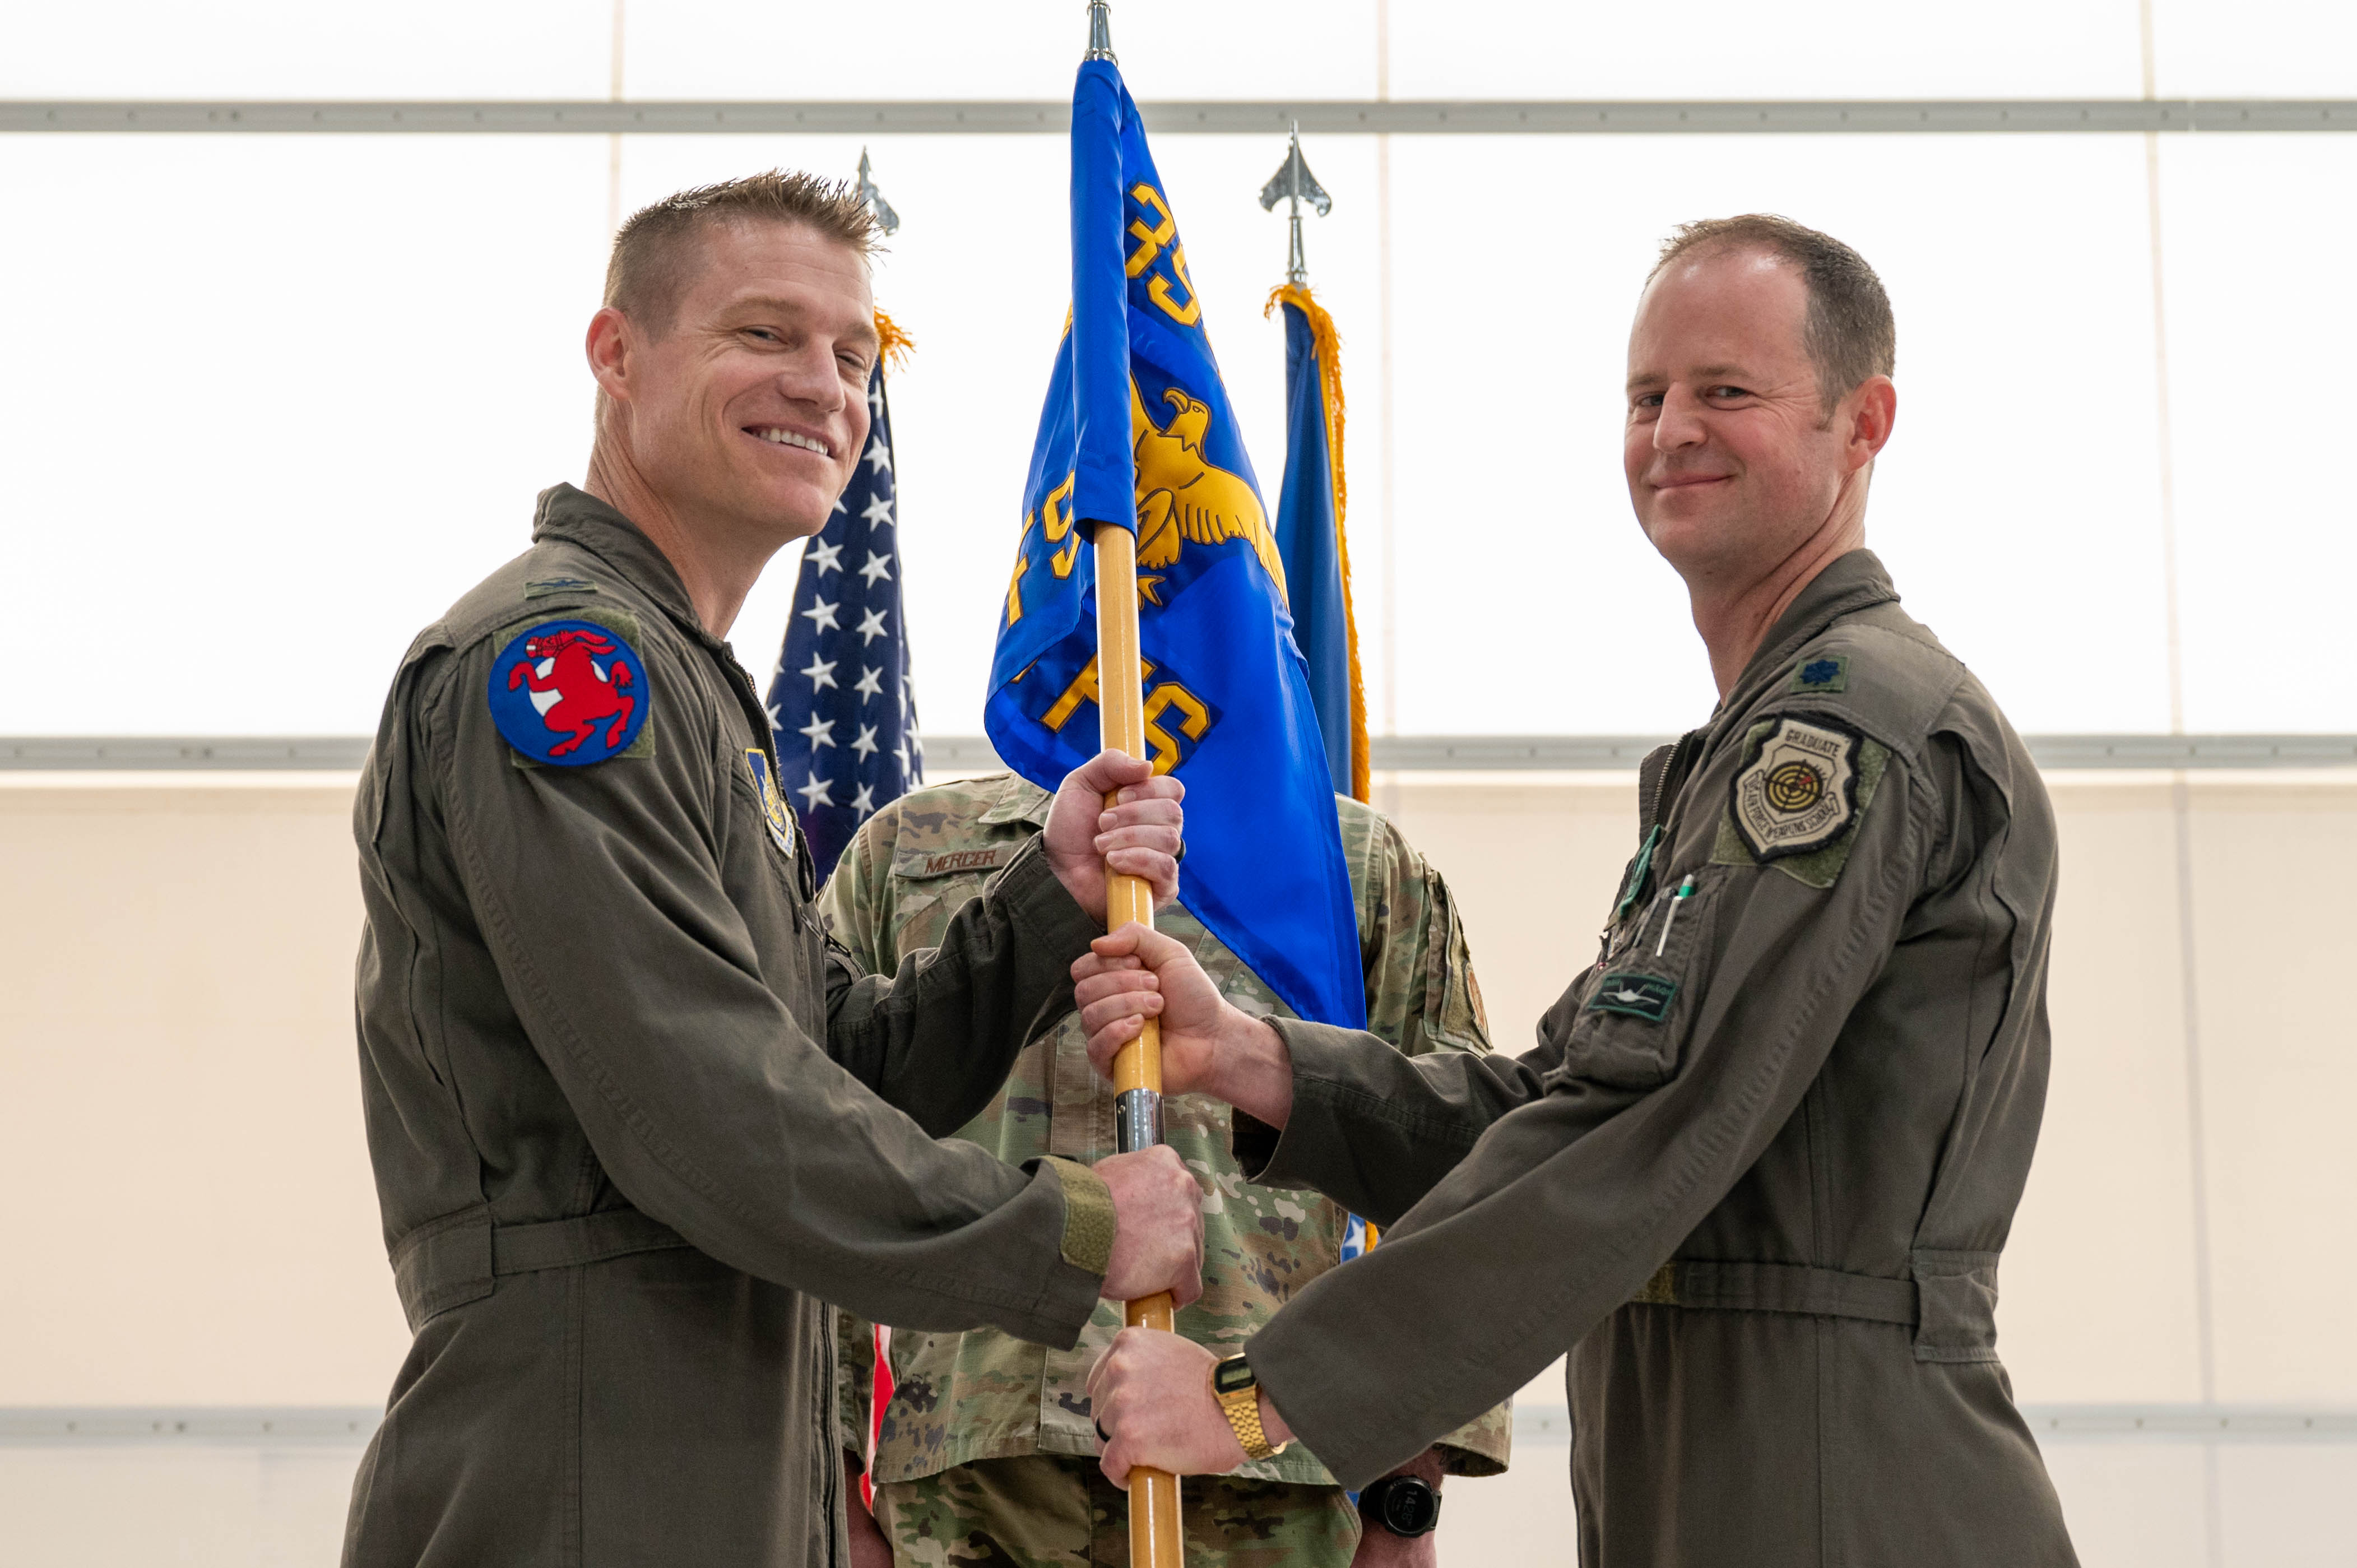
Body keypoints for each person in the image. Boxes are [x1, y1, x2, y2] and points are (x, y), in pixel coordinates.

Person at [1075, 215, 2080, 1567]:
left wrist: (1265, 1400)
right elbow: (1555, 1106)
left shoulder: (1849, 736)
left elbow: (1639, 1128)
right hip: (1717, 1463)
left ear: (1864, 422)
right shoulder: (1749, 743)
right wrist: (1254, 1060)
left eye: (1727, 390)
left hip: (1842, 1481)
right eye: (1647, 395)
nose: (1673, 430)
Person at [343, 171, 1207, 1568]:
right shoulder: (566, 668)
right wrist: (1070, 1229)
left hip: (723, 1445)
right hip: (593, 1460)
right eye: (765, 335)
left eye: (855, 357)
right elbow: (701, 1102)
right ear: (617, 354)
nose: (827, 387)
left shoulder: (686, 684)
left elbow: (831, 1063)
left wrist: (1043, 898)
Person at [822, 774, 1515, 1567]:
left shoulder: (1350, 859)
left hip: (1265, 1476)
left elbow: (1463, 1177)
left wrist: (1406, 1499)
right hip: (967, 1473)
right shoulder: (906, 846)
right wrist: (834, 1496)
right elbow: (827, 1164)